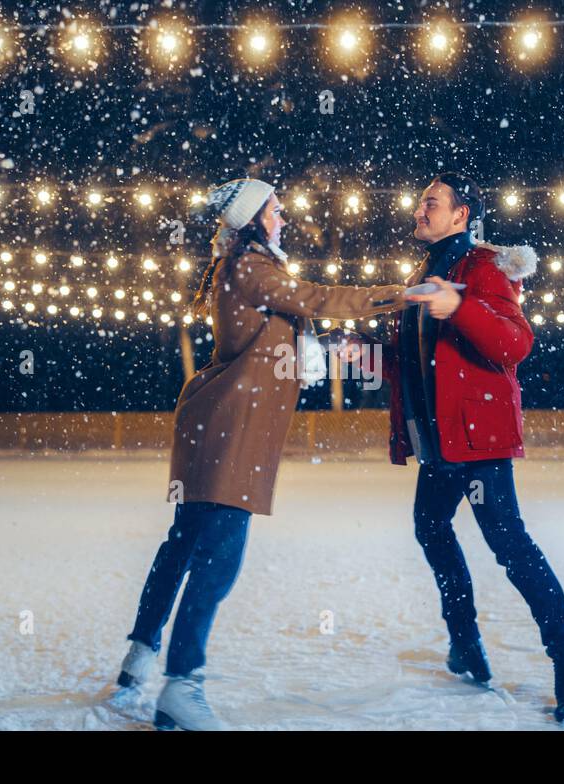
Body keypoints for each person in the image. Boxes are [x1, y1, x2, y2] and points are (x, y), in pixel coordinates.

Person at [113, 178, 410, 730]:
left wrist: (326, 347)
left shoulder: (247, 269)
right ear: (252, 219)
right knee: (217, 558)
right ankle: (181, 686)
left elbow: (275, 342)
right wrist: (401, 291)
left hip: (222, 421)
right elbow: (317, 298)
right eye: (276, 210)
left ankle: (140, 658)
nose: (283, 219)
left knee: (183, 546)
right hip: (232, 427)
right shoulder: (253, 267)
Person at [341, 171, 564, 725]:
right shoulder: (424, 273)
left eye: (431, 203)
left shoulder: (482, 267)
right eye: (419, 203)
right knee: (430, 527)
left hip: (477, 441)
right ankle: (466, 643)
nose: (419, 210)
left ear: (461, 215)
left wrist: (457, 306)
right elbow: (410, 362)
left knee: (510, 547)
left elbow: (516, 343)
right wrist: (361, 352)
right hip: (438, 441)